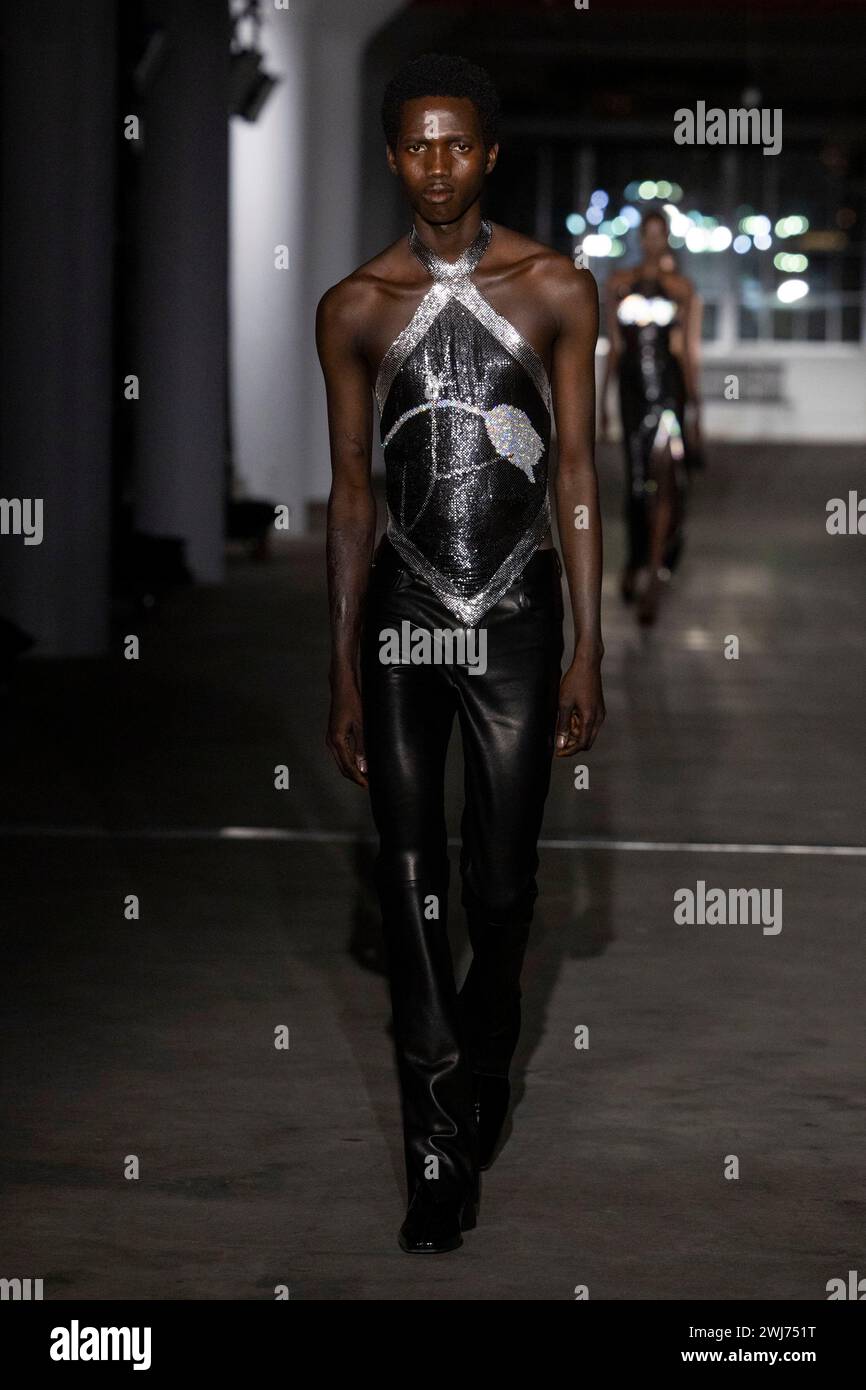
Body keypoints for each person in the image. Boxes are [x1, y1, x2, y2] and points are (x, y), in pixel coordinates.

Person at [316, 52, 604, 1254]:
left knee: (499, 882)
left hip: (520, 618)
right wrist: (339, 663)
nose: (437, 163)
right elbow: (345, 495)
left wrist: (586, 651)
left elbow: (579, 475)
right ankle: (436, 1152)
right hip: (399, 619)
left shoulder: (554, 288)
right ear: (393, 157)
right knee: (408, 878)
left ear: (488, 152)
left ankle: (486, 1063)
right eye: (415, 144)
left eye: (457, 143)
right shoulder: (353, 307)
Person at [600, 210, 703, 624]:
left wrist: (696, 410)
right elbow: (614, 347)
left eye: (661, 234)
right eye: (649, 234)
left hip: (668, 391)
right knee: (636, 484)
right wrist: (602, 403)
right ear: (641, 237)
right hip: (631, 393)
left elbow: (688, 349)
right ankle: (634, 561)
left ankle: (654, 577)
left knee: (665, 481)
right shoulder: (617, 283)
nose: (654, 241)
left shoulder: (681, 287)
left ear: (669, 238)